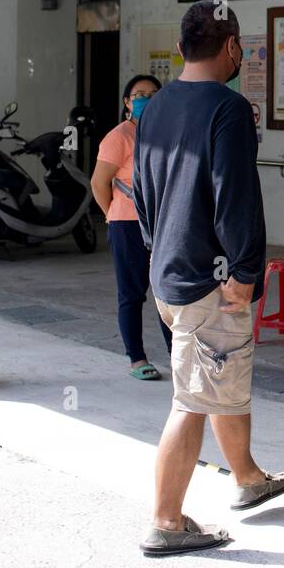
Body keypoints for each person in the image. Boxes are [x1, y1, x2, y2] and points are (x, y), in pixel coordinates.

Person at [132, 0, 284, 556]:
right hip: (212, 282)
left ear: (180, 49)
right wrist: (244, 270)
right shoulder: (229, 109)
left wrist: (159, 250)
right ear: (232, 47)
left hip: (168, 273)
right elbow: (235, 197)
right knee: (192, 399)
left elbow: (142, 190)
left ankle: (247, 478)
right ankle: (166, 521)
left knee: (213, 377)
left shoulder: (155, 106)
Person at [90, 74, 174, 381]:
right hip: (127, 224)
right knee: (132, 293)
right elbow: (99, 183)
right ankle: (137, 358)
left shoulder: (168, 132)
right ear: (127, 102)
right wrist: (111, 215)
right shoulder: (119, 137)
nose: (146, 99)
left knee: (168, 293)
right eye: (139, 95)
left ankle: (177, 356)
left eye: (153, 94)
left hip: (163, 223)